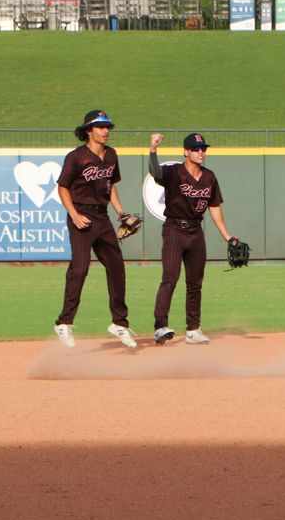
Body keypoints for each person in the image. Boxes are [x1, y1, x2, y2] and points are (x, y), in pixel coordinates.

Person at [54, 109, 136, 349]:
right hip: (81, 215)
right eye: (100, 127)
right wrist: (74, 214)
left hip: (102, 217)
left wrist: (121, 213)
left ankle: (119, 323)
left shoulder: (111, 155)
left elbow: (110, 186)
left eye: (107, 126)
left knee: (116, 266)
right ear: (89, 131)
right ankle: (64, 323)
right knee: (80, 269)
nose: (105, 131)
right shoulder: (76, 157)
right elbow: (62, 187)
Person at [148, 132, 237, 345]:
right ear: (186, 152)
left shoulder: (209, 177)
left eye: (203, 149)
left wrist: (227, 236)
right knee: (170, 279)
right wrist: (153, 150)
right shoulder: (174, 172)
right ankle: (160, 327)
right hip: (174, 230)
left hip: (196, 232)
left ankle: (193, 329)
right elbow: (155, 172)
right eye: (196, 149)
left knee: (195, 283)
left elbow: (214, 207)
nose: (201, 152)